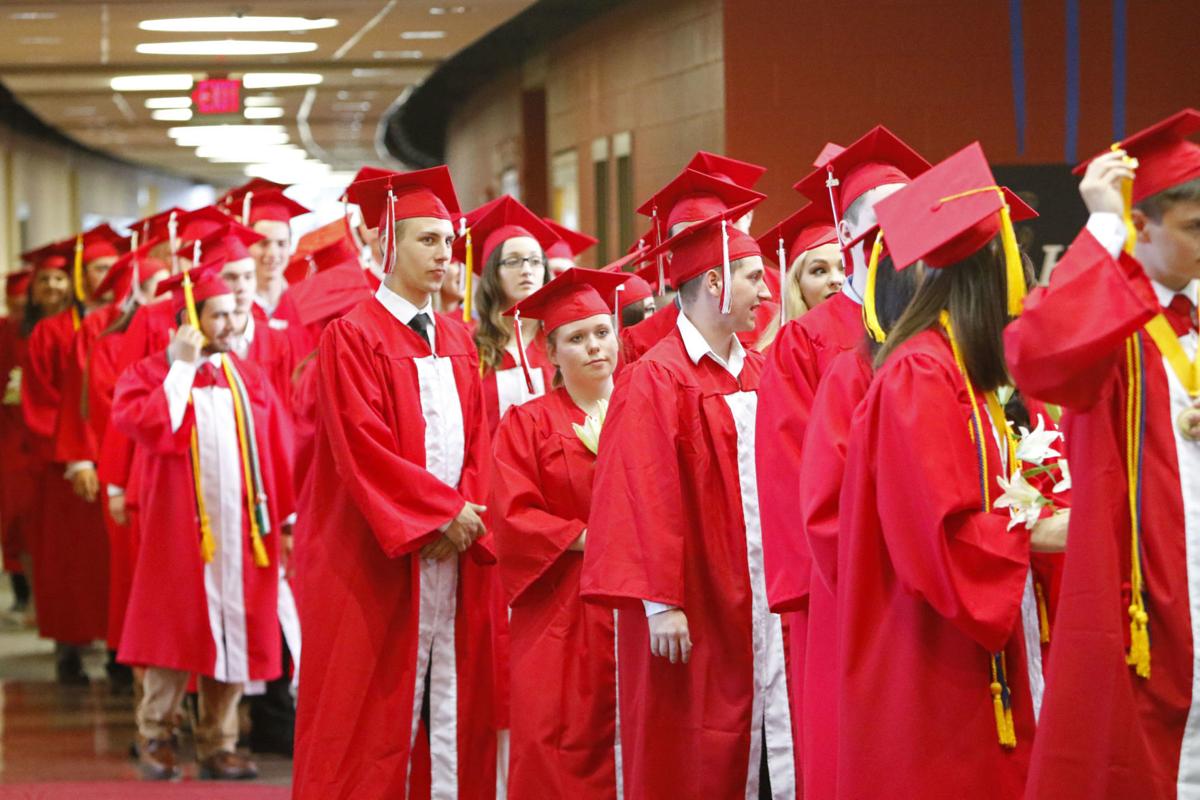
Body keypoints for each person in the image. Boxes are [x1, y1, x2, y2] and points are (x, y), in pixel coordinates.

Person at [833, 142, 1066, 798]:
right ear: (985, 270)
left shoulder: (956, 371)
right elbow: (938, 539)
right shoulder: (920, 375)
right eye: (1010, 256)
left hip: (959, 650)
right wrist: (1051, 532)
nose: (1019, 270)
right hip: (926, 660)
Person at [1008, 108, 1200, 799]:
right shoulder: (1113, 323)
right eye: (1195, 229)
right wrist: (1101, 226)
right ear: (1143, 226)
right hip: (1147, 599)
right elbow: (1039, 359)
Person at [293, 167, 498, 799]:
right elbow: (363, 448)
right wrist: (436, 517)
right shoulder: (352, 336)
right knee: (364, 706)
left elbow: (482, 441)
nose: (443, 255)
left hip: (453, 555)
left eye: (447, 241)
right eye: (426, 241)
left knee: (449, 698)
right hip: (373, 559)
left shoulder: (461, 339)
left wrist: (467, 513)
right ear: (389, 245)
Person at [582, 203, 797, 799]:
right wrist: (659, 603)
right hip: (697, 603)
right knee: (699, 751)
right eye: (753, 278)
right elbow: (639, 491)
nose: (765, 292)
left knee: (769, 744)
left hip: (763, 601)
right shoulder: (656, 377)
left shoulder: (759, 371)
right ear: (714, 282)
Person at [754, 131, 928, 782]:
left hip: (935, 576)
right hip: (849, 582)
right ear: (851, 236)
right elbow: (793, 476)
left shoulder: (936, 325)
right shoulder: (807, 341)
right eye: (883, 221)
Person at [113, 266, 293, 781]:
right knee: (173, 631)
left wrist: (284, 520)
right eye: (218, 314)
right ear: (189, 321)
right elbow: (146, 426)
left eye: (234, 312)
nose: (231, 322)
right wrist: (180, 368)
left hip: (242, 535)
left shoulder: (247, 374)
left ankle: (219, 741)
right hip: (181, 534)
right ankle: (156, 734)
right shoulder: (152, 373)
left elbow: (276, 445)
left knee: (234, 631)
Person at [491, 268, 629, 798]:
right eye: (576, 338)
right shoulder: (526, 423)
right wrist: (597, 538)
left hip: (640, 604)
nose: (594, 347)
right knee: (557, 738)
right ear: (550, 354)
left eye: (602, 332)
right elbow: (513, 514)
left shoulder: (646, 406)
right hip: (560, 608)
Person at [21, 226, 125, 684]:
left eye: (110, 269)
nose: (104, 277)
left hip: (118, 460)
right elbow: (41, 401)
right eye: (96, 270)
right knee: (68, 567)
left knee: (112, 565)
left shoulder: (125, 326)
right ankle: (69, 647)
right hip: (66, 467)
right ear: (82, 277)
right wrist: (73, 458)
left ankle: (118, 651)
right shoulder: (52, 332)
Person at [621, 169, 765, 364]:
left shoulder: (769, 320)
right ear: (671, 257)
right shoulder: (640, 340)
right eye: (687, 242)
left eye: (714, 238)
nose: (703, 251)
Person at [468, 196, 560, 435]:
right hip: (491, 469)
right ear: (492, 273)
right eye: (514, 261)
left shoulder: (560, 339)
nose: (527, 270)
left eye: (535, 261)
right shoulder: (471, 346)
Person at [752, 202, 844, 351]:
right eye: (819, 270)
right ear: (797, 284)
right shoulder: (776, 358)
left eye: (844, 268)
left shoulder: (879, 344)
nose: (836, 280)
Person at [0, 269, 34, 611]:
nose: (18, 309)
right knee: (11, 513)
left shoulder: (40, 330)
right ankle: (21, 590)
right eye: (13, 303)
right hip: (8, 433)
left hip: (37, 433)